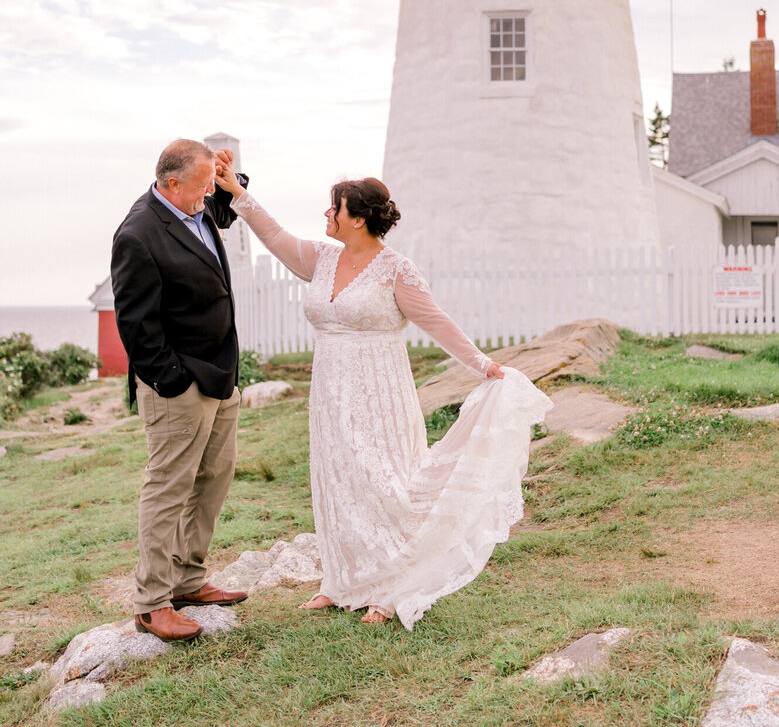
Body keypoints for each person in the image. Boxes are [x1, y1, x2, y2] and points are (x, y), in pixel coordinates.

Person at [214, 167, 552, 629]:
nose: (327, 213)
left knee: (385, 482)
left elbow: (438, 323)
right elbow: (273, 235)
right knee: (339, 479)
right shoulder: (322, 258)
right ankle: (340, 582)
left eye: (335, 207)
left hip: (380, 391)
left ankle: (391, 586)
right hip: (330, 390)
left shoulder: (396, 269)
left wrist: (482, 365)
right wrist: (237, 193)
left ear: (357, 218)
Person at [111, 139, 250, 642]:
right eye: (203, 185)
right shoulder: (139, 233)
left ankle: (188, 580)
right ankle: (151, 603)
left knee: (213, 477)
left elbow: (224, 211)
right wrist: (174, 381)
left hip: (221, 374)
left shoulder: (194, 202)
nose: (210, 194)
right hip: (179, 386)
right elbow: (136, 325)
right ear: (172, 184)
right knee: (169, 489)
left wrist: (230, 178)